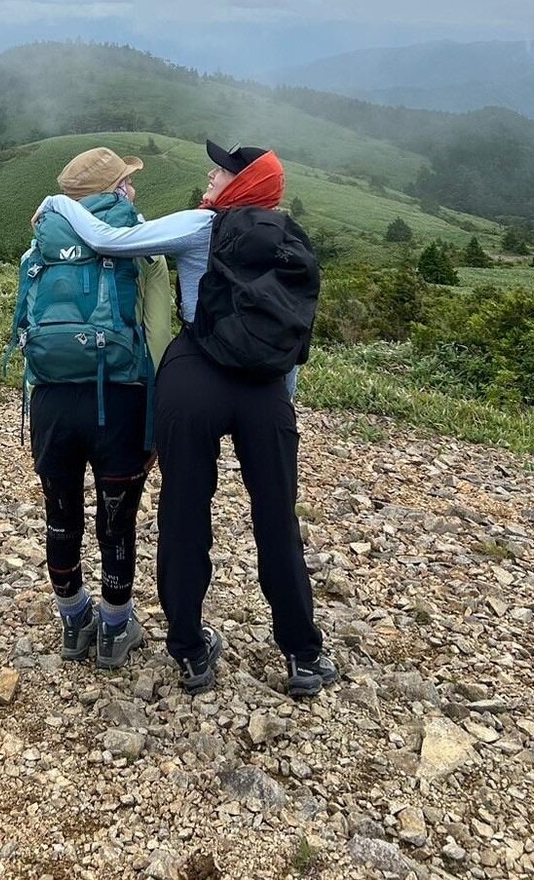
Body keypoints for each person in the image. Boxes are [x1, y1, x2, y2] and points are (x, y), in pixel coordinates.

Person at [32, 140, 336, 697]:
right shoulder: (292, 240)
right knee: (276, 519)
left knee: (184, 512)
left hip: (196, 377)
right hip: (265, 392)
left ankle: (191, 651)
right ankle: (302, 654)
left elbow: (110, 239)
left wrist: (59, 202)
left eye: (220, 171)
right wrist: (281, 400)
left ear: (239, 184)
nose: (210, 176)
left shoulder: (202, 226)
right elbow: (290, 334)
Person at [17, 146, 171, 670]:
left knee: (60, 515)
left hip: (53, 404)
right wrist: (157, 427)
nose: (133, 187)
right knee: (117, 520)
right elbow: (157, 342)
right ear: (115, 192)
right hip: (119, 403)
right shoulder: (141, 248)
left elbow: (27, 330)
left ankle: (72, 621)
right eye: (127, 181)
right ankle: (112, 630)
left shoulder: (37, 248)